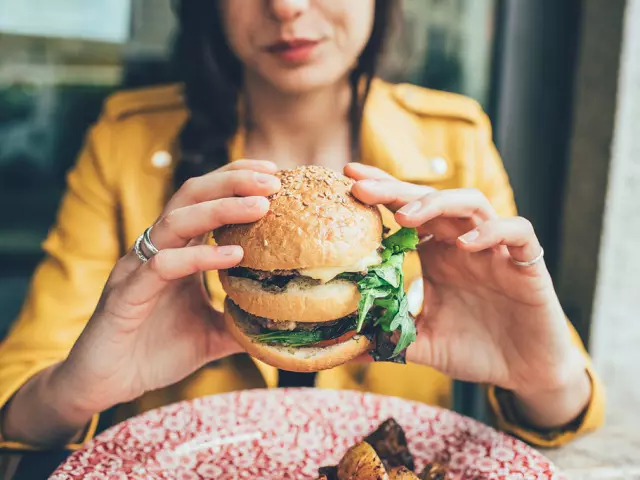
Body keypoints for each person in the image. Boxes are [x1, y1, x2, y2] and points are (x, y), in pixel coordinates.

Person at [0, 0, 603, 451]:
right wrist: (79, 389)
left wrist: (541, 375)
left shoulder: (456, 140)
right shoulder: (126, 140)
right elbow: (16, 400)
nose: (286, 6)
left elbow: (566, 408)